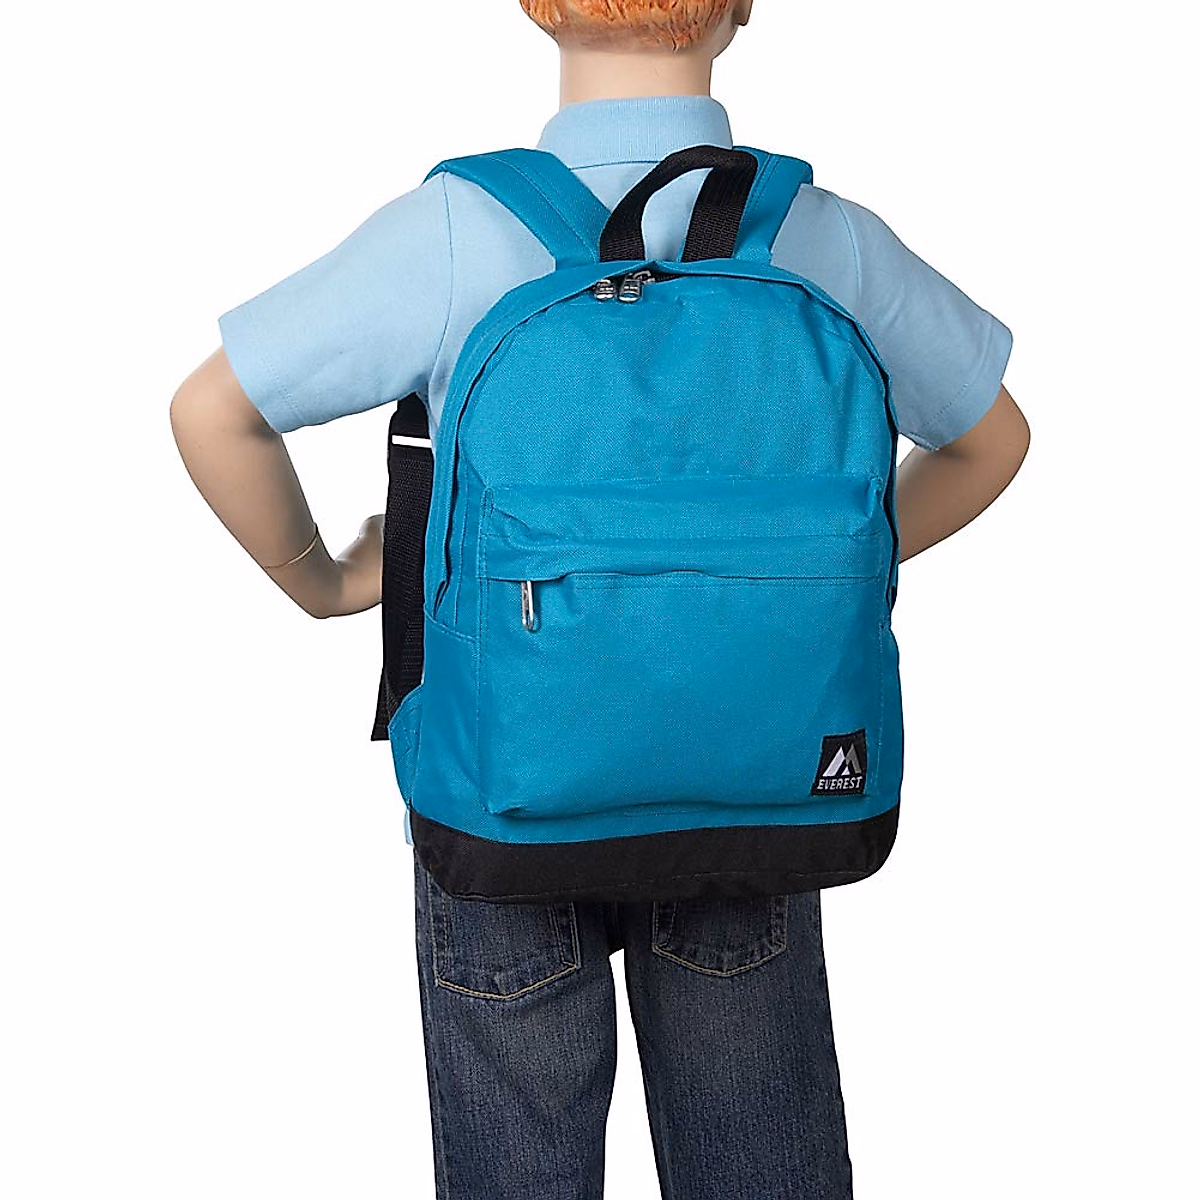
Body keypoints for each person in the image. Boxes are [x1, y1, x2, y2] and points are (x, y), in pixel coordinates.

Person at [170, 2, 1030, 1196]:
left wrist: (330, 579)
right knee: (758, 1162)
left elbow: (211, 411)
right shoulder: (820, 237)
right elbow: (993, 442)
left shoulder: (460, 228)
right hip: (750, 784)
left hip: (501, 796)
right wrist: (822, 581)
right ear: (739, 7)